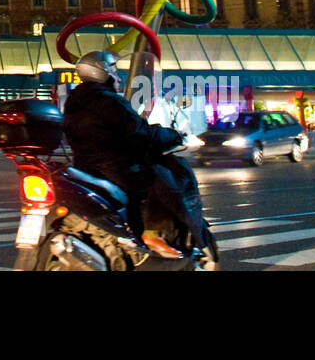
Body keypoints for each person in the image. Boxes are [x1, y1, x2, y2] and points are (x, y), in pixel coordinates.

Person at [62, 50, 209, 259]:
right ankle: (155, 232)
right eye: (113, 70)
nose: (118, 76)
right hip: (116, 168)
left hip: (86, 167)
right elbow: (139, 132)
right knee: (167, 180)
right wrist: (174, 136)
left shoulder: (74, 100)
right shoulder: (108, 100)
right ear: (102, 71)